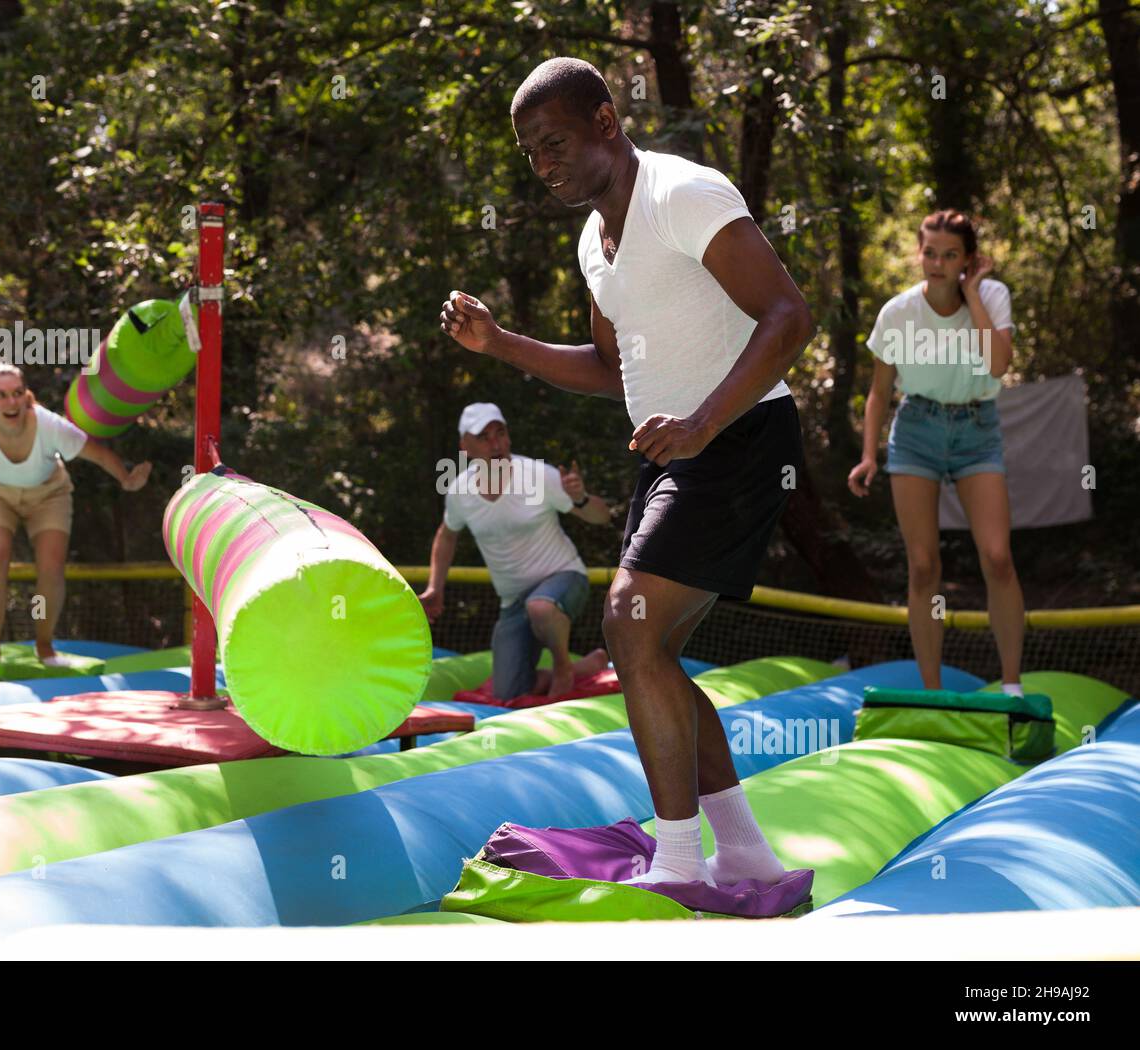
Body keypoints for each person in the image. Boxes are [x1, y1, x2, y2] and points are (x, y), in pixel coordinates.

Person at [438, 57, 813, 890]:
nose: (545, 165)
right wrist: (501, 344)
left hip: (740, 436)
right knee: (657, 649)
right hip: (673, 451)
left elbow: (791, 317)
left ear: (605, 121)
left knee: (630, 624)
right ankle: (742, 851)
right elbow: (613, 371)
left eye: (555, 142)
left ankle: (680, 862)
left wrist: (702, 422)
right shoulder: (591, 243)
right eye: (531, 154)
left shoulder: (683, 194)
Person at [848, 209, 1024, 695]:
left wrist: (972, 295)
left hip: (976, 430)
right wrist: (868, 455)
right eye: (929, 253)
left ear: (969, 260)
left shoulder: (991, 296)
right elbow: (879, 394)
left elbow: (998, 365)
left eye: (950, 255)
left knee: (998, 556)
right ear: (918, 254)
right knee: (924, 566)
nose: (937, 263)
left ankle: (1012, 686)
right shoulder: (898, 312)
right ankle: (931, 692)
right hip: (918, 430)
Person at [0, 362, 151, 664]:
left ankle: (45, 648)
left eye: (17, 393)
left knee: (51, 564)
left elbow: (97, 453)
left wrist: (127, 479)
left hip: (48, 493)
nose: (10, 403)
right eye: (0, 395)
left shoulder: (48, 425)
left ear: (27, 396)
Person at [419, 402, 611, 699]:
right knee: (508, 694)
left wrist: (582, 498)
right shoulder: (459, 491)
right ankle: (586, 666)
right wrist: (436, 587)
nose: (495, 444)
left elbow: (602, 517)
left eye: (501, 433)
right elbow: (446, 536)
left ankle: (562, 668)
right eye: (484, 437)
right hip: (514, 602)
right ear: (465, 446)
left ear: (508, 437)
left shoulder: (538, 475)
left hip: (566, 578)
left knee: (541, 606)